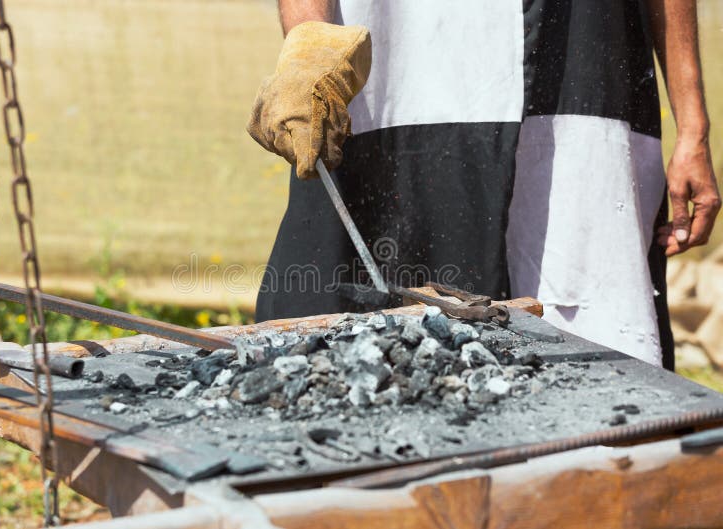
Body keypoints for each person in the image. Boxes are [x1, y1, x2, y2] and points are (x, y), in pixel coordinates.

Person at [247, 0, 720, 370]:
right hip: (396, 80)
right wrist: (309, 43)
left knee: (596, 356)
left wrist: (693, 125)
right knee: (341, 341)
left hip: (578, 73)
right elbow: (313, 42)